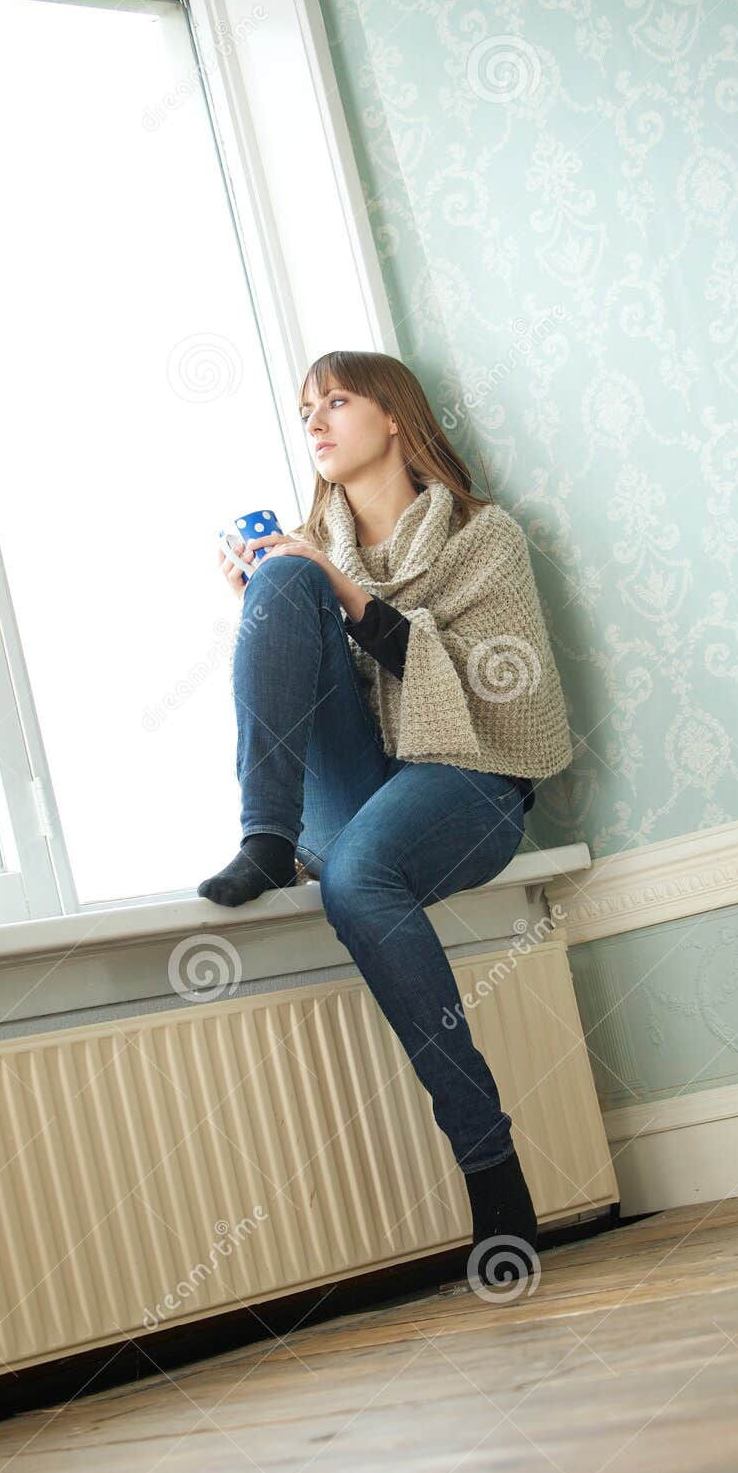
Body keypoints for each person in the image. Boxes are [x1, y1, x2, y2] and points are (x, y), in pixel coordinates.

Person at [198, 351, 574, 1283]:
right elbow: (309, 696)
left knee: (360, 877)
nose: (315, 421)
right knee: (278, 583)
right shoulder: (310, 554)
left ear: (394, 416)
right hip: (359, 790)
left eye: (336, 401)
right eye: (305, 410)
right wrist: (268, 609)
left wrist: (342, 589)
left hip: (470, 782)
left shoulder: (483, 537)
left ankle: (491, 1170)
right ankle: (266, 837)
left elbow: (500, 686)